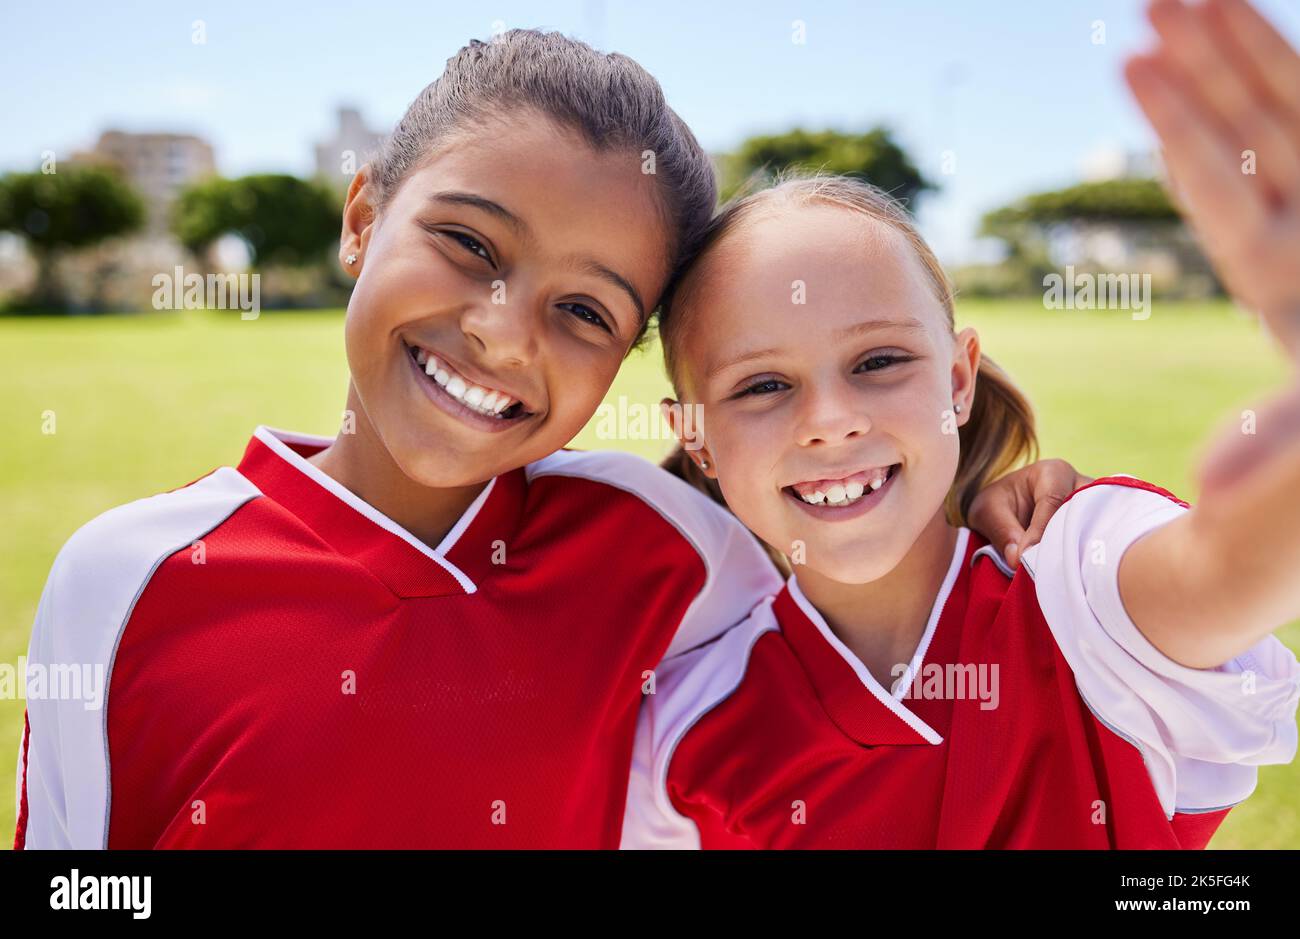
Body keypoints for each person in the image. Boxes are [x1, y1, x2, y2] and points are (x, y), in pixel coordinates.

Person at [14, 30, 1077, 849]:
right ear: (360, 217)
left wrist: (986, 504)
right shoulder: (127, 577)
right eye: (467, 242)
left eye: (585, 312)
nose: (501, 332)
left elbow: (874, 588)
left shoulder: (668, 550)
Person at [622, 0, 1300, 849]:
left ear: (958, 377)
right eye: (763, 384)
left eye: (878, 362)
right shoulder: (689, 722)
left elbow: (1234, 565)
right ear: (695, 436)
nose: (830, 420)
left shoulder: (1074, 583)